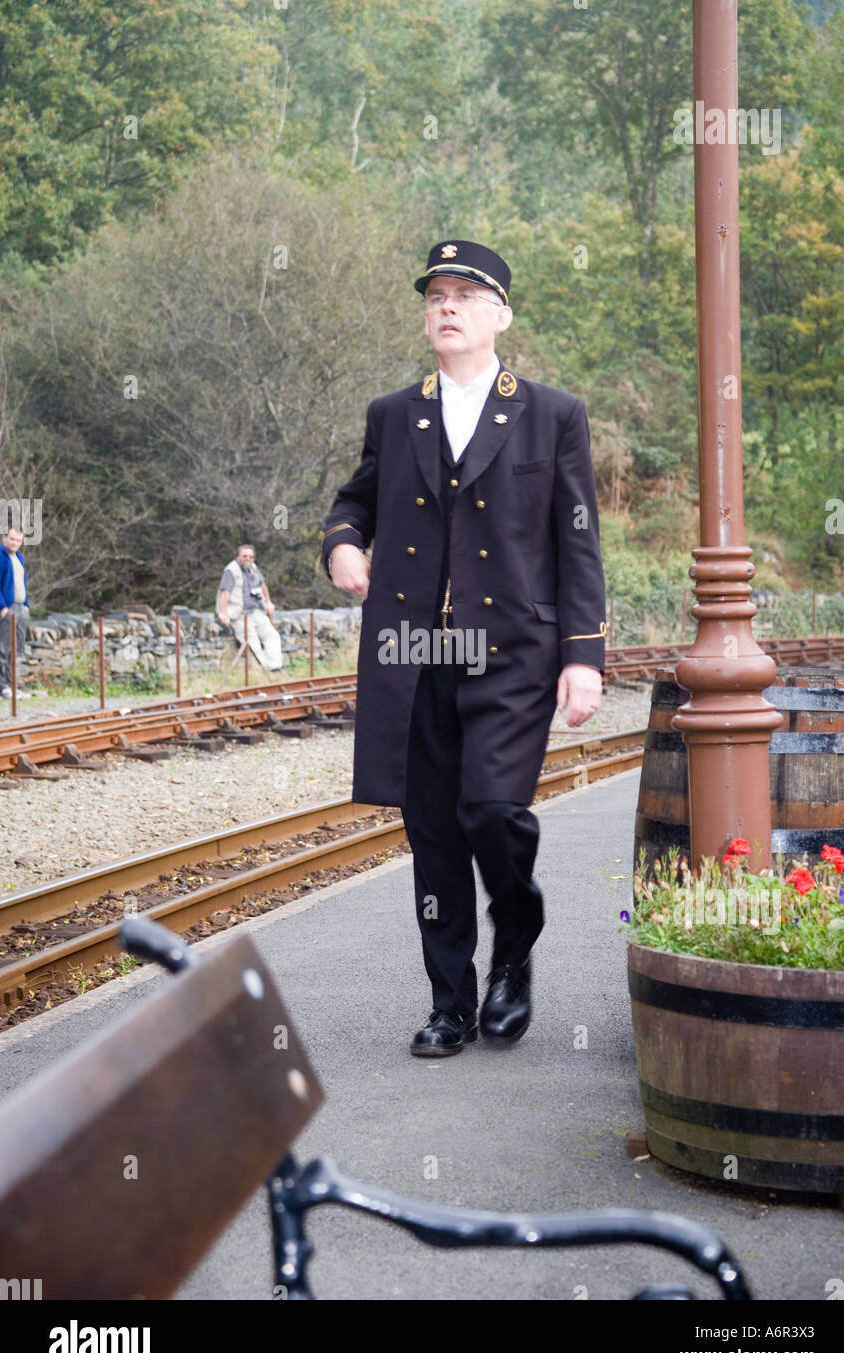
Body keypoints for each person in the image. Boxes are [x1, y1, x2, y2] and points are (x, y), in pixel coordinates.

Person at [320, 239, 606, 1058]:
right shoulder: (393, 412)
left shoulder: (553, 414)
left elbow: (577, 543)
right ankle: (451, 1001)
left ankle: (513, 953)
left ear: (500, 316)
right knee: (434, 832)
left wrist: (582, 656)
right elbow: (354, 503)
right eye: (435, 294)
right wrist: (343, 545)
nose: (445, 306)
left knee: (490, 810)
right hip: (416, 654)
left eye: (464, 294)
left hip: (514, 653)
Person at [216, 544, 283, 673]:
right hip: (239, 614)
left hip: (256, 611)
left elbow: (262, 585)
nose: (248, 559)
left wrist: (268, 602)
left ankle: (275, 668)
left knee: (272, 635)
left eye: (251, 557)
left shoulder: (253, 568)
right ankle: (264, 670)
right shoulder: (231, 570)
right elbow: (225, 592)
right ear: (238, 557)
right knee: (252, 643)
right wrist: (222, 612)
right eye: (245, 556)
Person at [0, 527, 29, 700]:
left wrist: (26, 605)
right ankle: (2, 687)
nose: (15, 543)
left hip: (20, 608)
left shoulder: (19, 558)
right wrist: (2, 606)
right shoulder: (0, 558)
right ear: (4, 537)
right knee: (3, 649)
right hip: (7, 609)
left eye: (18, 540)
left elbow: (22, 584)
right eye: (12, 539)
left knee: (16, 650)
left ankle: (13, 685)